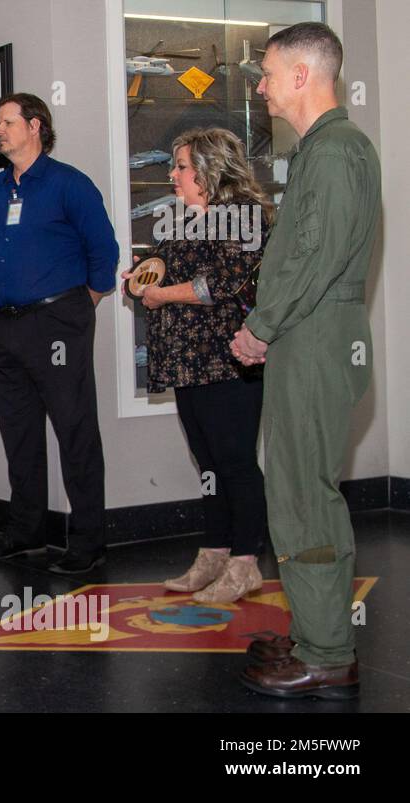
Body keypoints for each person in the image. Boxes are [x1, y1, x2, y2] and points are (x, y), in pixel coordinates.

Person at [231, 22, 379, 700]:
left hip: (313, 338)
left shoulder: (335, 150)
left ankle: (326, 651)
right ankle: (317, 628)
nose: (259, 87)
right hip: (311, 337)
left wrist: (261, 325)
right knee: (295, 485)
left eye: (266, 73)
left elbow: (314, 257)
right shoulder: (326, 150)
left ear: (300, 76)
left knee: (303, 494)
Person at [123, 128, 272, 603]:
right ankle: (214, 552)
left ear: (210, 170)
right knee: (207, 464)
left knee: (235, 464)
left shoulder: (244, 218)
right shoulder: (182, 218)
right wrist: (142, 275)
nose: (173, 175)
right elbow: (158, 260)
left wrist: (160, 292)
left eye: (182, 166)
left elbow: (220, 284)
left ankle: (245, 561)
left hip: (228, 362)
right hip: (187, 364)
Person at [0, 92, 119, 574]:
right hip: (5, 327)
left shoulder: (69, 185)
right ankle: (26, 531)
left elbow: (104, 253)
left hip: (58, 324)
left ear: (36, 126)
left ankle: (88, 541)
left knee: (74, 430)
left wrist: (80, 307)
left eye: (8, 122)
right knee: (19, 434)